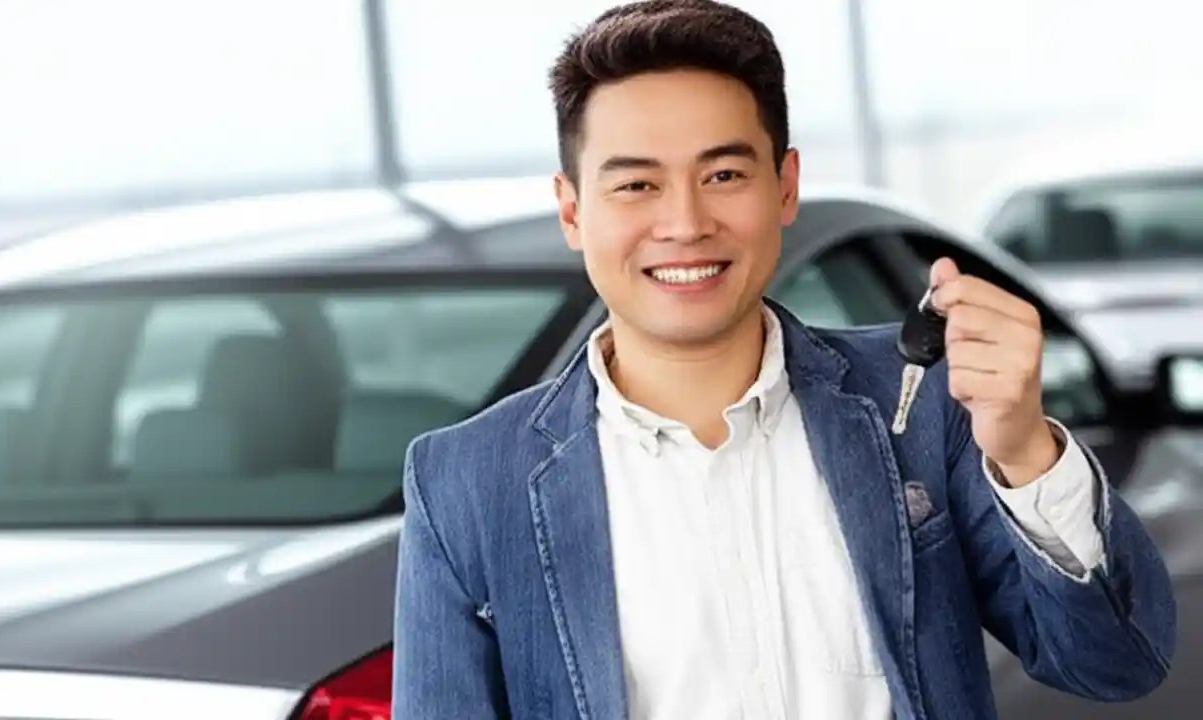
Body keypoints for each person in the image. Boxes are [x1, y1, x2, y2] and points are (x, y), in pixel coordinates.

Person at [391, 1, 1176, 718]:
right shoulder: (465, 484)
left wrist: (1025, 449)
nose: (685, 222)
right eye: (635, 184)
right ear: (572, 209)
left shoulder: (923, 407)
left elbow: (1117, 664)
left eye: (724, 174)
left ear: (785, 186)